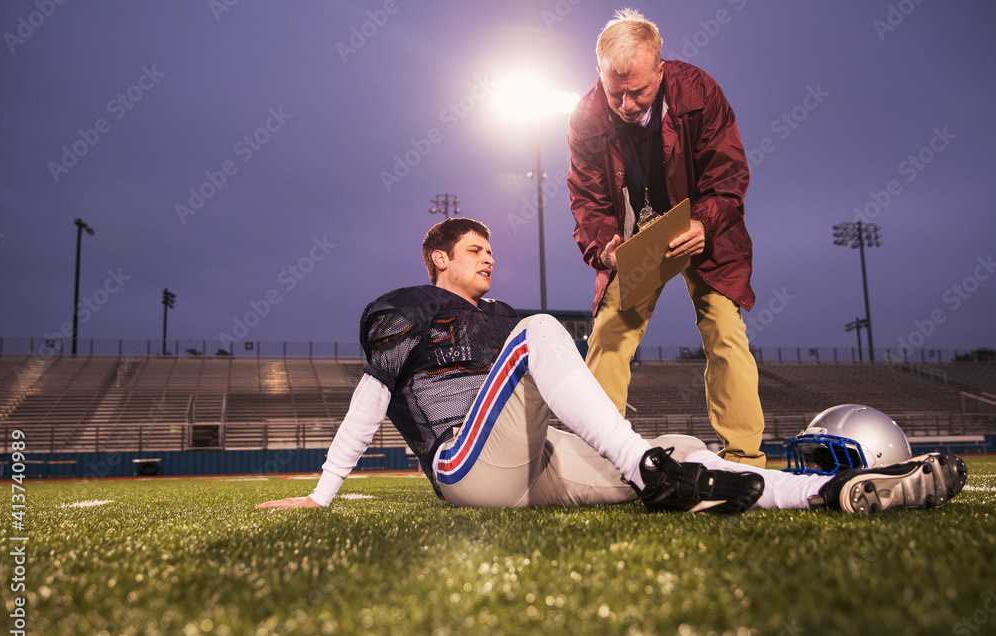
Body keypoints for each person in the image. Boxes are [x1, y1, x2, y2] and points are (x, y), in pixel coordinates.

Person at [257, 218, 967, 515]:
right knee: (541, 328)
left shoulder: (503, 316)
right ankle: (648, 469)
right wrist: (324, 493)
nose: (489, 257)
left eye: (490, 249)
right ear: (440, 257)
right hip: (466, 464)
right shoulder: (403, 306)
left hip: (541, 463)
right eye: (476, 249)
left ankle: (824, 493)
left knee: (687, 448)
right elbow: (370, 396)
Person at [567, 9, 766, 468]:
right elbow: (587, 202)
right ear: (598, 74)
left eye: (638, 91)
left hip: (704, 228)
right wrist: (604, 246)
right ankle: (600, 458)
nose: (627, 104)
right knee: (610, 333)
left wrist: (702, 223)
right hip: (636, 238)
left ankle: (744, 458)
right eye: (615, 92)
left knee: (724, 329)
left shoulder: (698, 91)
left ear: (661, 68)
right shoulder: (586, 116)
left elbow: (729, 174)